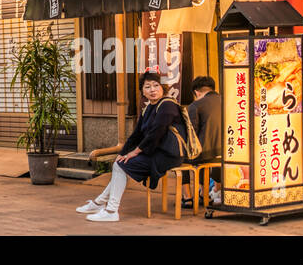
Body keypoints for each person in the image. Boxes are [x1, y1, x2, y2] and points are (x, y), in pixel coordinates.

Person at [77, 72, 185, 222]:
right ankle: (99, 203)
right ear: (142, 91)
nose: (152, 89)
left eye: (156, 85)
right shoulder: (148, 109)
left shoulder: (168, 105)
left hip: (168, 155)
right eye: (147, 87)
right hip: (155, 151)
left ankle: (111, 210)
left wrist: (135, 152)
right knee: (120, 163)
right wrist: (122, 153)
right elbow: (136, 135)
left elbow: (156, 133)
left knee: (120, 166)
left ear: (163, 87)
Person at [185, 75, 222, 207]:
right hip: (228, 152)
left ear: (197, 92)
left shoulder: (196, 105)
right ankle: (216, 190)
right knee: (219, 155)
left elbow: (192, 133)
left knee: (184, 157)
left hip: (205, 155)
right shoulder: (227, 101)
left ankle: (190, 196)